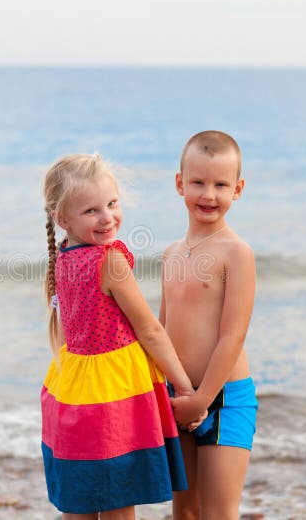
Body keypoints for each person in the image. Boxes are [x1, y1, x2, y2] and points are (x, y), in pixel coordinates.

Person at [40, 153, 205, 519]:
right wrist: (184, 386)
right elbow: (150, 330)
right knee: (119, 499)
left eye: (112, 204)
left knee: (79, 500)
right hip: (114, 394)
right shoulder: (109, 261)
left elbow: (70, 331)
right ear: (61, 217)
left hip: (72, 390)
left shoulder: (62, 256)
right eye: (91, 211)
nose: (107, 217)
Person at [163, 131, 259, 520]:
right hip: (177, 395)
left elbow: (233, 335)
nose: (209, 194)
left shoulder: (236, 253)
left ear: (237, 189)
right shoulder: (171, 253)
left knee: (218, 513)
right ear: (179, 184)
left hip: (224, 399)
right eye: (199, 182)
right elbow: (161, 329)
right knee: (185, 511)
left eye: (221, 185)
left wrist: (202, 401)